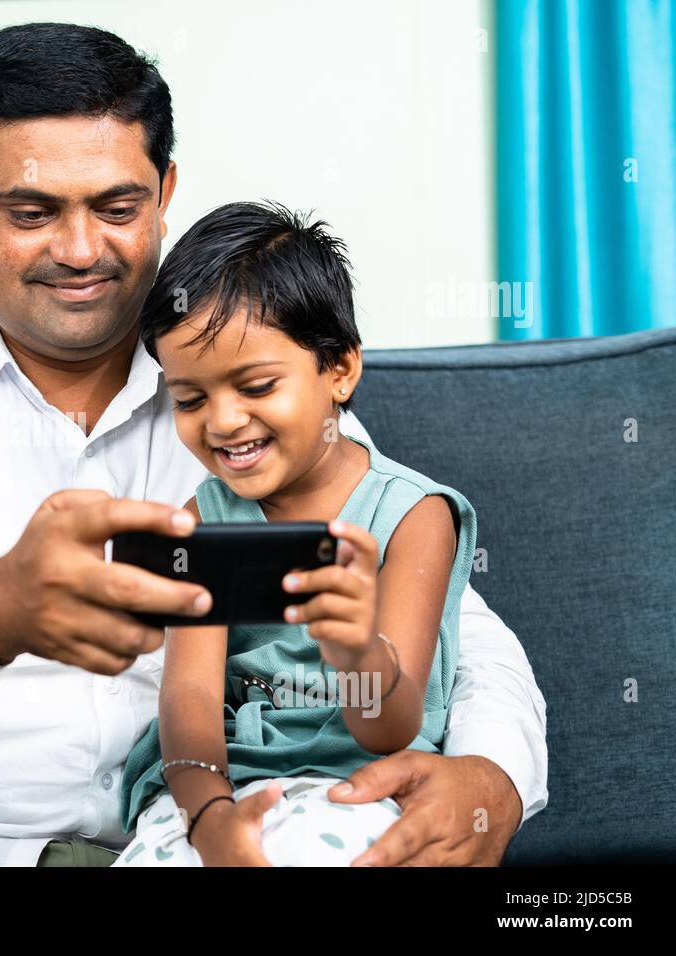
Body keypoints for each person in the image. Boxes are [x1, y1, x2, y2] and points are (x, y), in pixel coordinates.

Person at [0, 22, 547, 867]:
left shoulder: (272, 406)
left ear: (164, 194)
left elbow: (461, 635)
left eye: (118, 208)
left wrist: (494, 779)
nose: (82, 251)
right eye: (32, 211)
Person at [114, 200, 476, 867]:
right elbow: (190, 696)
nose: (222, 421)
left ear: (337, 369)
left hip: (356, 789)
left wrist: (354, 647)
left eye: (255, 385)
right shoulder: (205, 522)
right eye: (189, 398)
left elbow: (389, 726)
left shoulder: (412, 517)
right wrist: (209, 817)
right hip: (217, 786)